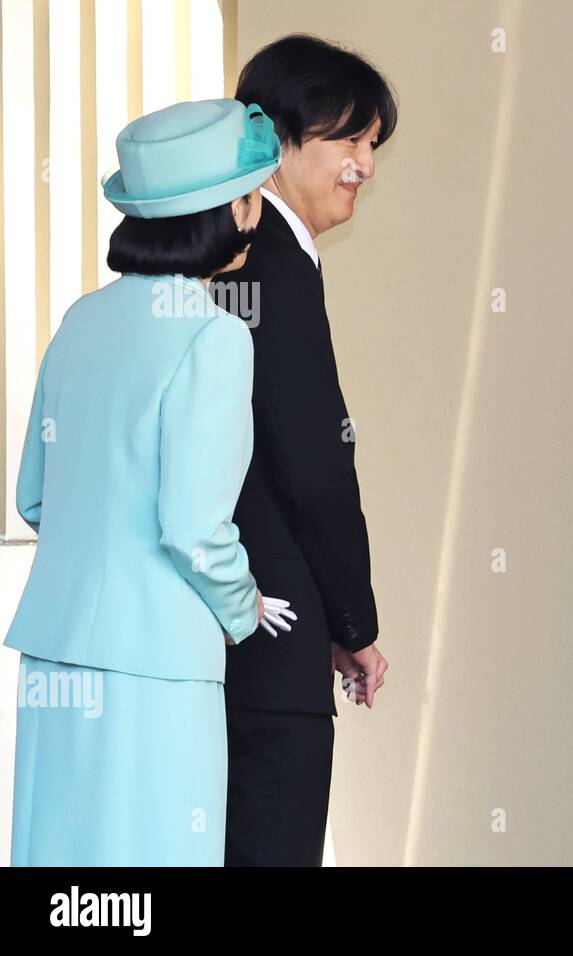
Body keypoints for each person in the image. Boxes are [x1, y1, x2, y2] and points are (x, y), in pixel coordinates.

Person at [5, 99, 290, 865]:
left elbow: (33, 494)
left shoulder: (80, 320)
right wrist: (245, 604)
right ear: (231, 209)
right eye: (254, 192)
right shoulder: (215, 336)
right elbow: (194, 528)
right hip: (156, 661)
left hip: (54, 650)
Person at [220, 34, 396, 866]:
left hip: (218, 638)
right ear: (276, 138)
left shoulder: (224, 261)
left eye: (372, 144)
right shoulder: (279, 271)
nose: (364, 163)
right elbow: (315, 470)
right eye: (347, 140)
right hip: (272, 639)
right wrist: (352, 622)